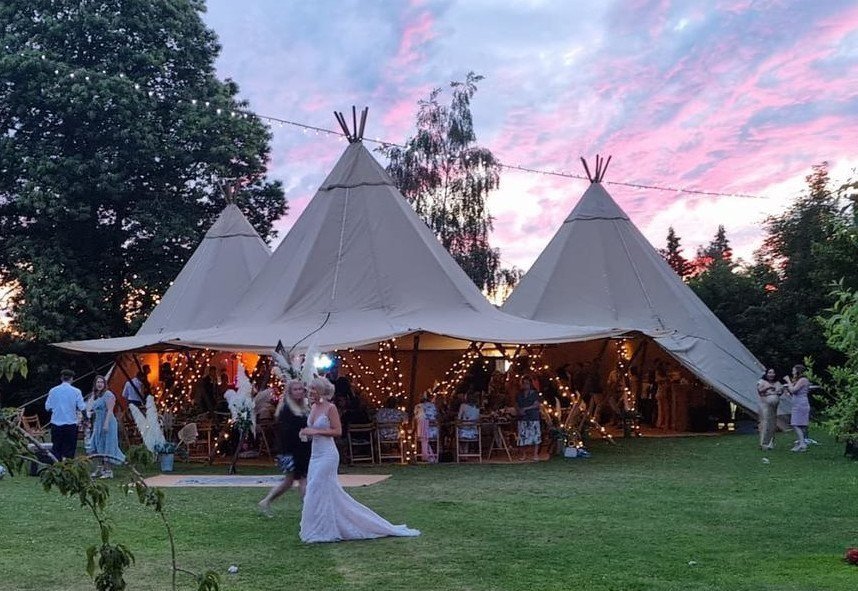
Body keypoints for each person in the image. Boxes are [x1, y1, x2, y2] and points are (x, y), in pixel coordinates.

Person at [298, 377, 420, 543]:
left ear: (321, 391)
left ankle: (328, 528)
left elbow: (338, 431)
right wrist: (306, 433)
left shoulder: (330, 408)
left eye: (314, 389)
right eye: (310, 389)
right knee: (320, 489)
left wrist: (315, 432)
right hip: (315, 454)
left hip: (327, 454)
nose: (310, 392)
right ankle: (320, 526)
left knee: (315, 486)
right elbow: (312, 429)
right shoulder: (313, 407)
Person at [258, 379, 312, 516]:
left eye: (300, 389)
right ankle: (308, 510)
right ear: (290, 392)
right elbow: (286, 432)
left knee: (293, 480)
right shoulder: (286, 409)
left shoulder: (304, 408)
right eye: (295, 389)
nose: (299, 391)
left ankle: (267, 501)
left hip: (302, 449)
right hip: (290, 450)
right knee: (298, 479)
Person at [45, 369, 86, 461]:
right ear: (72, 379)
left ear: (61, 378)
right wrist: (86, 419)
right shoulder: (76, 391)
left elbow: (47, 407)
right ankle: (68, 466)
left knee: (56, 448)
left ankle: (57, 465)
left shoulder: (53, 391)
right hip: (70, 424)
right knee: (69, 450)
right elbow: (82, 407)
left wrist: (57, 410)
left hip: (56, 424)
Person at [89, 375, 125, 478]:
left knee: (107, 445)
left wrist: (106, 423)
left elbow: (110, 410)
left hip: (107, 421)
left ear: (104, 384)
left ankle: (108, 470)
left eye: (101, 382)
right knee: (96, 444)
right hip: (98, 422)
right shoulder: (95, 395)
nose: (99, 384)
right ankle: (100, 468)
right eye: (98, 382)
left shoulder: (108, 394)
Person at [784, 364, 811, 452]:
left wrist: (788, 381)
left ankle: (802, 443)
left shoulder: (803, 380)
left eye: (794, 370)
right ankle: (801, 443)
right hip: (797, 404)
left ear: (798, 371)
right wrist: (787, 393)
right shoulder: (799, 380)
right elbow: (794, 393)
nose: (792, 372)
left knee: (795, 424)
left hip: (801, 405)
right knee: (800, 425)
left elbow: (793, 390)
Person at [516, 375, 541, 461]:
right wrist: (519, 410)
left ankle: (535, 454)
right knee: (523, 436)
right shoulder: (519, 394)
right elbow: (517, 404)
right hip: (523, 417)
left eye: (527, 383)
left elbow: (536, 404)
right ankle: (523, 455)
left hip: (533, 416)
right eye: (524, 383)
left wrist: (526, 408)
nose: (525, 385)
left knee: (535, 435)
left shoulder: (535, 393)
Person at [756, 368, 782, 450]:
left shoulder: (777, 382)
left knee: (772, 424)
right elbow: (759, 390)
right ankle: (763, 444)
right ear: (766, 374)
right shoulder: (762, 381)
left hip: (773, 407)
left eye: (773, 373)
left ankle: (770, 443)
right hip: (764, 405)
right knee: (765, 423)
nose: (771, 374)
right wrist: (768, 387)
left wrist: (776, 391)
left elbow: (780, 392)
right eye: (770, 373)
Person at [414, 391, 439, 463]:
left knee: (420, 431)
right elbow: (436, 417)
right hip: (433, 431)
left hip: (421, 431)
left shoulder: (418, 406)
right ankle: (431, 455)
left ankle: (427, 455)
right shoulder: (433, 406)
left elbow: (416, 418)